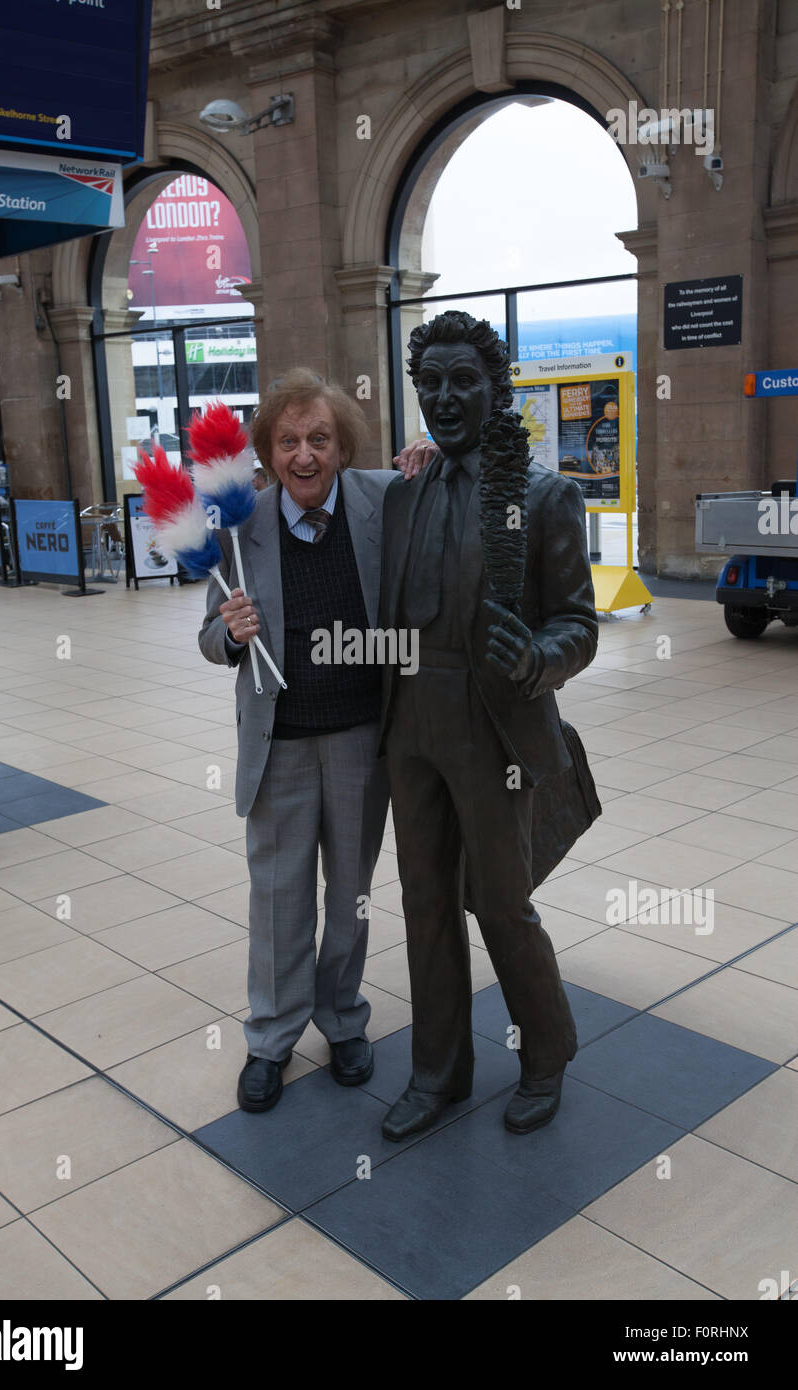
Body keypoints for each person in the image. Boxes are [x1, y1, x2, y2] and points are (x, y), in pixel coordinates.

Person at [378, 310, 599, 1142]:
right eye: (430, 382)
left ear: (495, 389)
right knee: (424, 902)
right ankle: (438, 1072)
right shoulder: (404, 493)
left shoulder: (544, 496)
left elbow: (579, 623)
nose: (444, 397)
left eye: (463, 380)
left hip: (494, 725)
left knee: (502, 905)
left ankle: (547, 1055)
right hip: (412, 727)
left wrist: (538, 655)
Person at [198, 369, 417, 1113]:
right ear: (266, 451)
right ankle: (271, 1037)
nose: (303, 455)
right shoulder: (238, 526)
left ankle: (342, 1018)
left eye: (318, 439)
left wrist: (431, 458)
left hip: (362, 739)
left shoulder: (382, 500)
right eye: (288, 441)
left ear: (341, 444)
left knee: (350, 896)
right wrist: (229, 636)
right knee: (279, 897)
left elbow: (455, 489)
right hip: (281, 742)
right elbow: (207, 638)